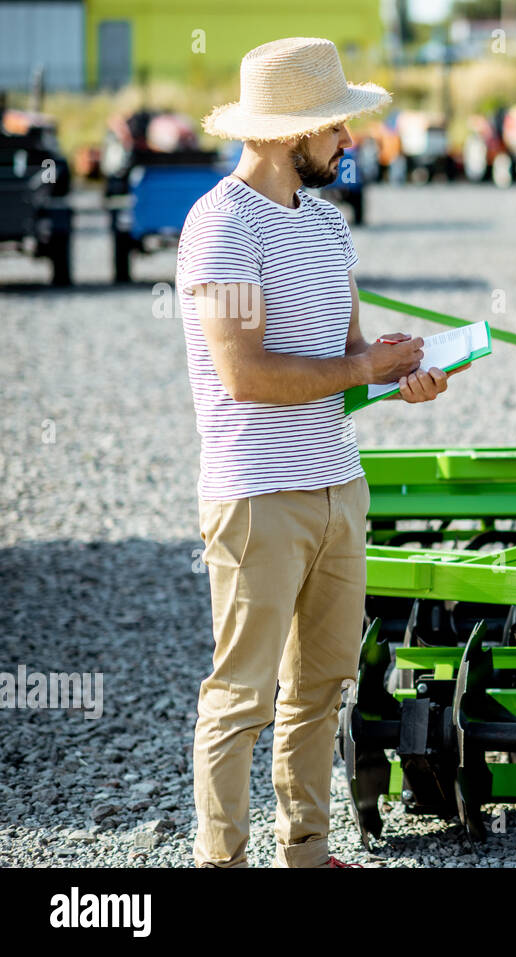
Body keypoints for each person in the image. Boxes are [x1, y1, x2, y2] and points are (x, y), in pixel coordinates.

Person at [177, 37, 465, 868]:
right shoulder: (220, 224)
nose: (350, 139)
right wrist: (362, 365)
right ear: (281, 132)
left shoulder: (330, 227)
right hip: (257, 495)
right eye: (335, 124)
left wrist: (398, 376)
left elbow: (342, 360)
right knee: (241, 696)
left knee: (319, 688)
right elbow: (246, 375)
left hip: (339, 484)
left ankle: (303, 853)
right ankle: (220, 862)